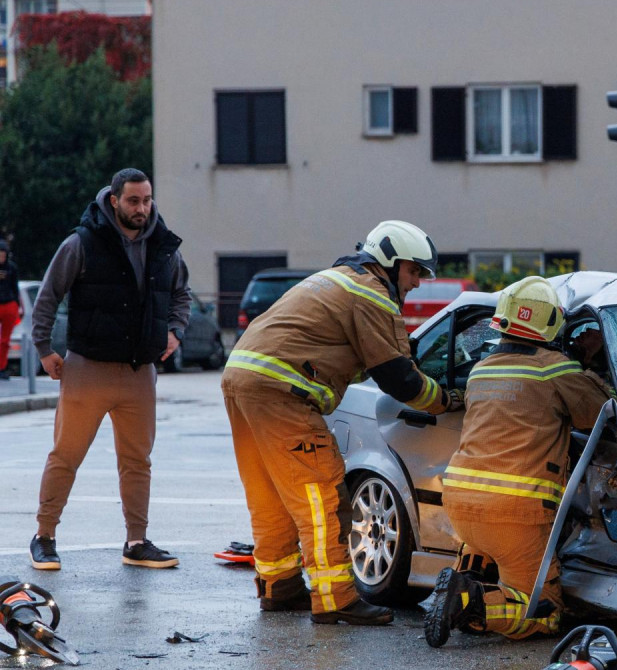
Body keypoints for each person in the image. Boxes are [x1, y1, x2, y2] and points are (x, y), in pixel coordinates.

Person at [222, 219, 462, 625]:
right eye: (415, 271)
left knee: (272, 495)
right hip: (283, 392)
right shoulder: (371, 295)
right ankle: (335, 599)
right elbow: (398, 378)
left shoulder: (336, 279)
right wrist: (446, 400)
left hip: (241, 381)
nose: (418, 282)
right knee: (323, 495)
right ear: (390, 262)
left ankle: (279, 587)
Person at [423, 276, 613, 647]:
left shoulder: (482, 369)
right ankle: (468, 601)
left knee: (484, 549)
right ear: (551, 323)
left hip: (460, 503)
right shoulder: (555, 368)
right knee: (543, 611)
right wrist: (588, 362)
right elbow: (599, 412)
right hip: (515, 511)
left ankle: (465, 583)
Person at [28, 168, 191, 571]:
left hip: (139, 373)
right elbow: (48, 296)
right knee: (66, 456)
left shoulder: (164, 246)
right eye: (133, 201)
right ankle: (44, 536)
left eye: (147, 200)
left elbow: (181, 294)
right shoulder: (81, 243)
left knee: (137, 461)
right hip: (87, 369)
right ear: (114, 200)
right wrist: (44, 348)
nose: (142, 208)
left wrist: (175, 331)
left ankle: (136, 542)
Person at [0, 240, 18, 381]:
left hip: (9, 304)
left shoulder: (11, 268)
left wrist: (17, 304)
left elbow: (15, 287)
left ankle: (2, 367)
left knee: (5, 340)